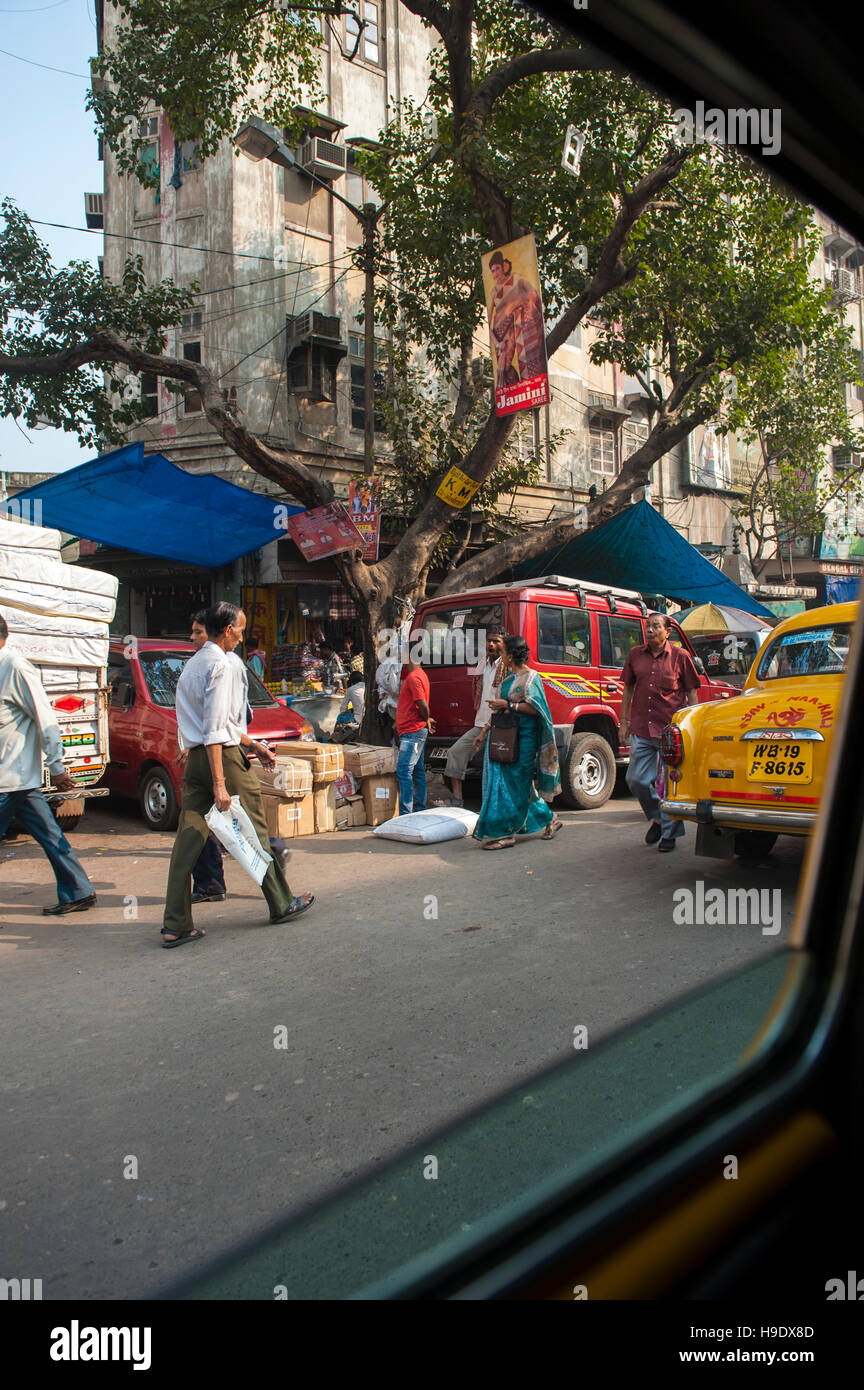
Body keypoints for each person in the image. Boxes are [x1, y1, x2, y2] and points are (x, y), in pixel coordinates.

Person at [161, 602, 313, 948]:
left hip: (199, 758)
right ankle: (281, 902)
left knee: (188, 842)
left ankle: (175, 923)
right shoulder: (222, 665)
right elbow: (217, 729)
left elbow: (213, 725)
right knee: (255, 829)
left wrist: (254, 745)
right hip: (222, 760)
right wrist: (219, 783)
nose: (242, 638)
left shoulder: (194, 664)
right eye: (240, 630)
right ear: (227, 629)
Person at [183, 612, 291, 905]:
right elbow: (215, 728)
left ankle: (179, 917)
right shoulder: (208, 665)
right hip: (215, 752)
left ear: (214, 633)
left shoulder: (221, 664)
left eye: (197, 632)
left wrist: (252, 747)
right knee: (222, 828)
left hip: (217, 752)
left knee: (205, 834)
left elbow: (222, 727)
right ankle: (275, 898)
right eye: (192, 632)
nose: (192, 638)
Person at [0, 610, 97, 914]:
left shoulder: (14, 667)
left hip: (10, 777)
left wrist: (57, 768)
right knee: (51, 836)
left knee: (51, 835)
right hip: (15, 781)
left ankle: (78, 891)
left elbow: (46, 720)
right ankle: (78, 891)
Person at [620, 612, 700, 853]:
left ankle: (669, 834)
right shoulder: (635, 655)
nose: (650, 630)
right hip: (642, 728)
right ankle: (657, 816)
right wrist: (623, 722)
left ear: (668, 632)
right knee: (635, 780)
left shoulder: (681, 656)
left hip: (670, 732)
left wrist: (690, 727)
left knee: (671, 786)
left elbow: (692, 693)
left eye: (656, 626)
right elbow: (628, 690)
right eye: (648, 626)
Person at [472, 634, 562, 849]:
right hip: (503, 737)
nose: (501, 657)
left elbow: (536, 709)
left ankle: (507, 832)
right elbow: (500, 709)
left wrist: (509, 705)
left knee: (516, 784)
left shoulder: (532, 678)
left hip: (524, 740)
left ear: (510, 656)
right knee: (510, 785)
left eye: (503, 653)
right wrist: (484, 732)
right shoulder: (506, 681)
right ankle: (550, 819)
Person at [444, 628, 506, 806]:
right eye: (489, 641)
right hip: (481, 724)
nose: (491, 644)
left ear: (504, 645)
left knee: (496, 768)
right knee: (455, 752)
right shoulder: (483, 664)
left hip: (499, 725)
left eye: (496, 641)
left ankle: (497, 806)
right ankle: (457, 799)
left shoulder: (507, 667)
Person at [487, 250, 546, 388]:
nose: (496, 273)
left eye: (497, 269)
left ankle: (529, 388)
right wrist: (496, 343)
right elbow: (489, 323)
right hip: (501, 335)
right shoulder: (493, 292)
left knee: (527, 357)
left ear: (503, 267)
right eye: (492, 271)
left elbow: (533, 295)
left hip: (521, 321)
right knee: (505, 366)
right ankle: (515, 394)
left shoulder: (517, 279)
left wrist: (519, 304)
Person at [395, 652, 433, 815]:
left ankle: (406, 813)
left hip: (412, 731)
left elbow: (422, 705)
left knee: (404, 771)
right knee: (417, 772)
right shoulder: (420, 675)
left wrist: (427, 718)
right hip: (413, 730)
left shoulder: (414, 678)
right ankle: (419, 809)